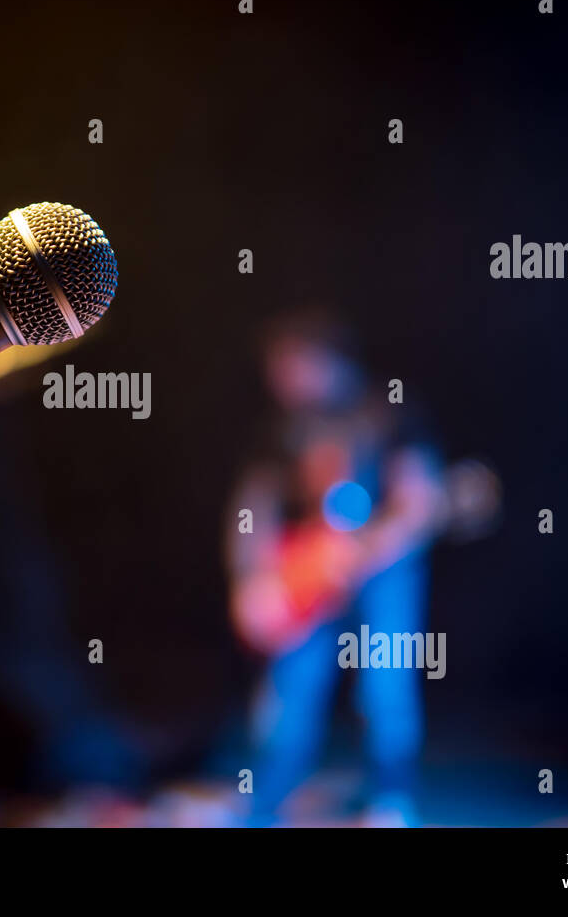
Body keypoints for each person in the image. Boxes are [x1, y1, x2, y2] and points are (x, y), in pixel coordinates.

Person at [226, 315, 447, 826]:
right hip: (305, 577)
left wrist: (363, 551)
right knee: (290, 687)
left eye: (287, 367)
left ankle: (390, 803)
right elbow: (251, 509)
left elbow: (421, 502)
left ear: (322, 358)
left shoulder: (388, 410)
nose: (278, 381)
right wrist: (252, 581)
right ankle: (265, 806)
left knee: (385, 683)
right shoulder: (282, 428)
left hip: (383, 573)